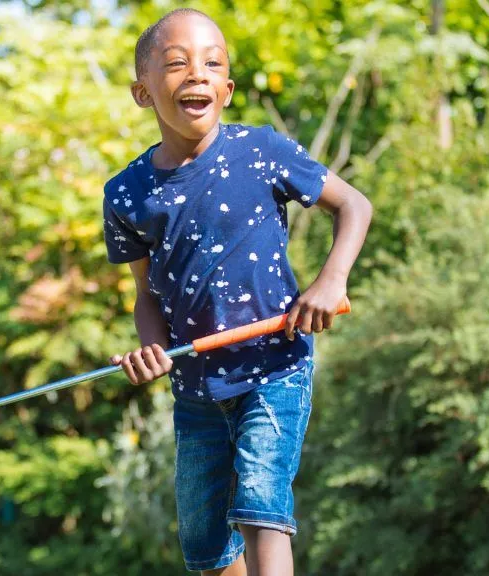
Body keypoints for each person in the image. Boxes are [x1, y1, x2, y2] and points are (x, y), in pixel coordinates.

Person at [101, 8, 372, 575]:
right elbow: (146, 294)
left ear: (226, 89)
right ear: (143, 92)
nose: (195, 73)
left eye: (211, 63)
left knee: (261, 507)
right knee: (205, 545)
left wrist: (330, 280)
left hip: (275, 366)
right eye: (176, 64)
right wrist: (151, 348)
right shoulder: (126, 194)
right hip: (196, 387)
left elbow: (354, 205)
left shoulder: (261, 150)